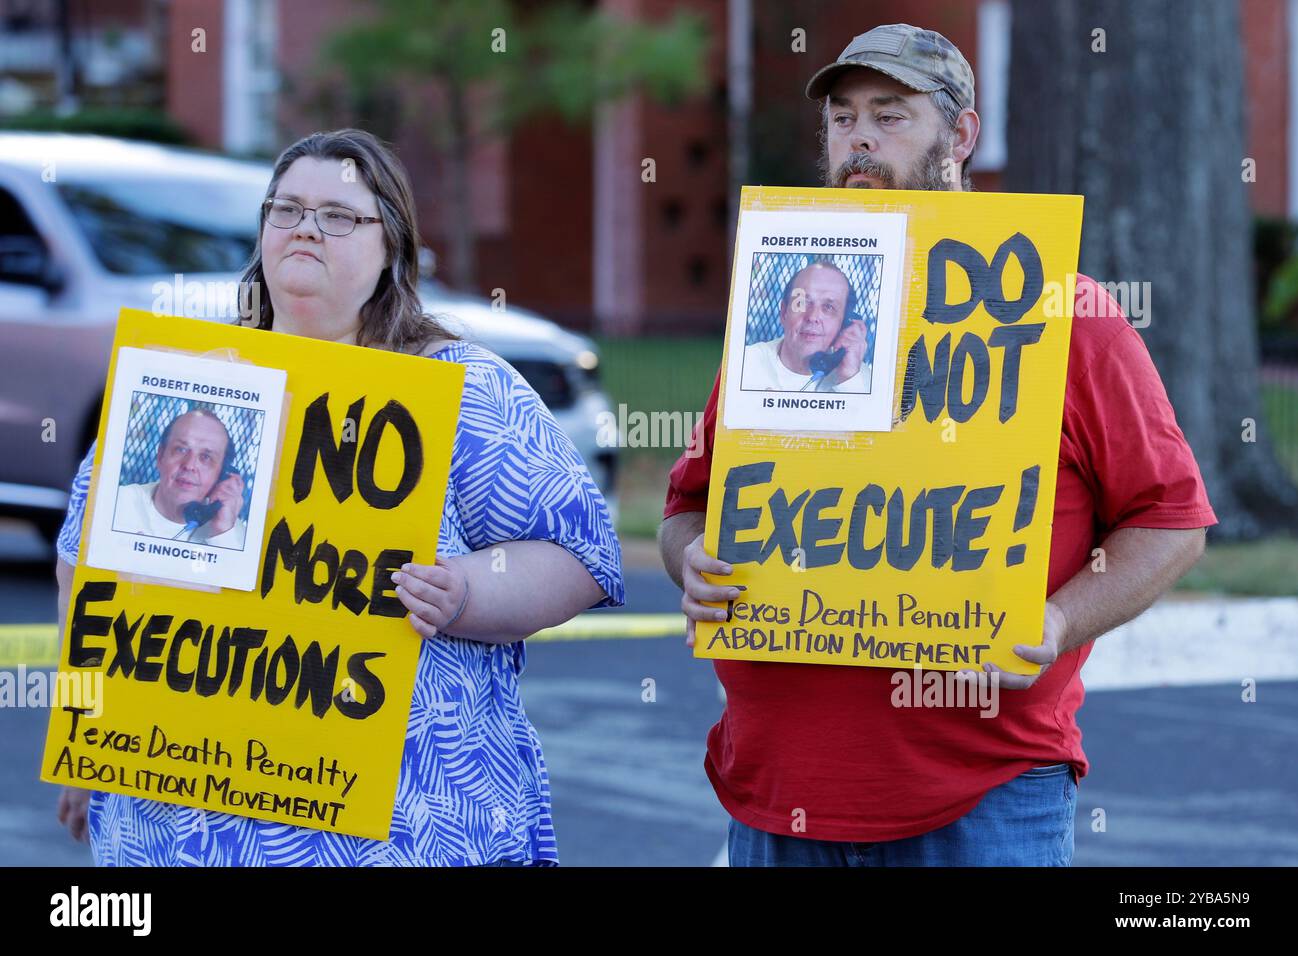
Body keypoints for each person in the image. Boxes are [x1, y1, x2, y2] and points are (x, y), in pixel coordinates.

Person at [658, 24, 1217, 866]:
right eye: (843, 120)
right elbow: (689, 508)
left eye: (891, 117)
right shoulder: (795, 310)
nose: (859, 141)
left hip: (983, 796)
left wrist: (1058, 618)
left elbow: (1171, 521)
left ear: (960, 136)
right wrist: (692, 558)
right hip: (778, 792)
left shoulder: (1066, 312)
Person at [54, 128, 624, 866]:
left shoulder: (462, 391)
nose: (306, 229)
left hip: (403, 826)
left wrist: (466, 594)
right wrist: (90, 732)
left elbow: (581, 552)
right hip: (181, 828)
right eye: (286, 209)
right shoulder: (189, 377)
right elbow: (83, 563)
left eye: (339, 214)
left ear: (393, 247)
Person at [113, 408, 247, 548]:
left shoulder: (232, 533)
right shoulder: (117, 504)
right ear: (160, 456)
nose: (189, 465)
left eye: (206, 457)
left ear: (221, 475)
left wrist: (222, 533)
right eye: (181, 449)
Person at [742, 262, 873, 393]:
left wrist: (849, 379)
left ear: (844, 323)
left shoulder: (860, 380)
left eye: (828, 307)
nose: (812, 317)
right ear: (784, 313)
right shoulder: (744, 364)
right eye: (802, 302)